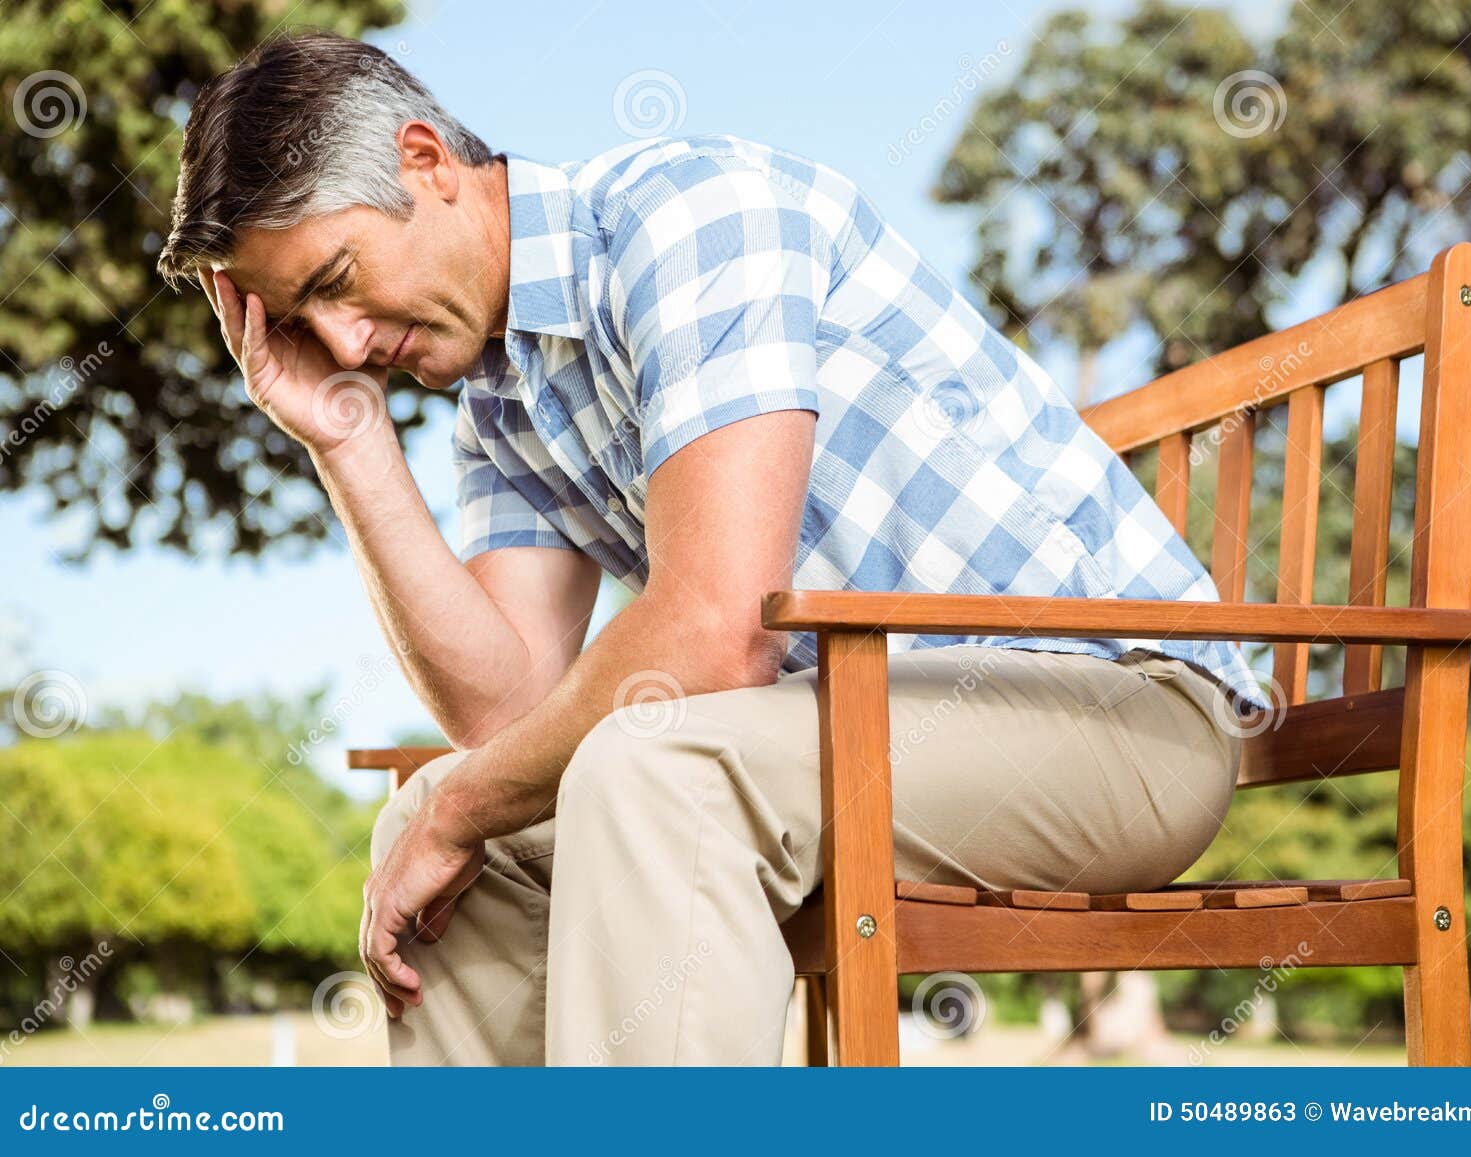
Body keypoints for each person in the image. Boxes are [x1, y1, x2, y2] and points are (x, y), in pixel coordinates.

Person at [158, 29, 1264, 1066]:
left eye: (337, 281)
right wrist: (348, 441)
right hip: (868, 735)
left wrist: (463, 801)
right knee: (457, 812)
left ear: (425, 159)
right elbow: (508, 723)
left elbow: (717, 631)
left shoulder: (683, 217)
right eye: (301, 320)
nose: (344, 342)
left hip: (1120, 715)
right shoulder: (501, 400)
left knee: (651, 771)